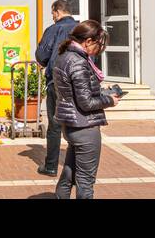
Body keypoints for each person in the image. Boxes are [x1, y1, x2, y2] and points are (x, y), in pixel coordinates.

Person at [51, 19, 120, 199]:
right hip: (85, 127)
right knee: (85, 181)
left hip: (71, 125)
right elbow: (86, 103)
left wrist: (102, 93)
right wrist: (109, 100)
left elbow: (78, 93)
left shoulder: (64, 56)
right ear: (88, 41)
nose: (98, 49)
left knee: (69, 174)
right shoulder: (78, 62)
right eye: (98, 44)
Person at [34, 0, 78, 176]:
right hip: (78, 83)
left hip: (57, 82)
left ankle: (51, 166)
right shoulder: (83, 28)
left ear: (58, 12)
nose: (52, 16)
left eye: (53, 13)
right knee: (77, 124)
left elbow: (42, 56)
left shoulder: (53, 29)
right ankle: (76, 167)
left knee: (55, 125)